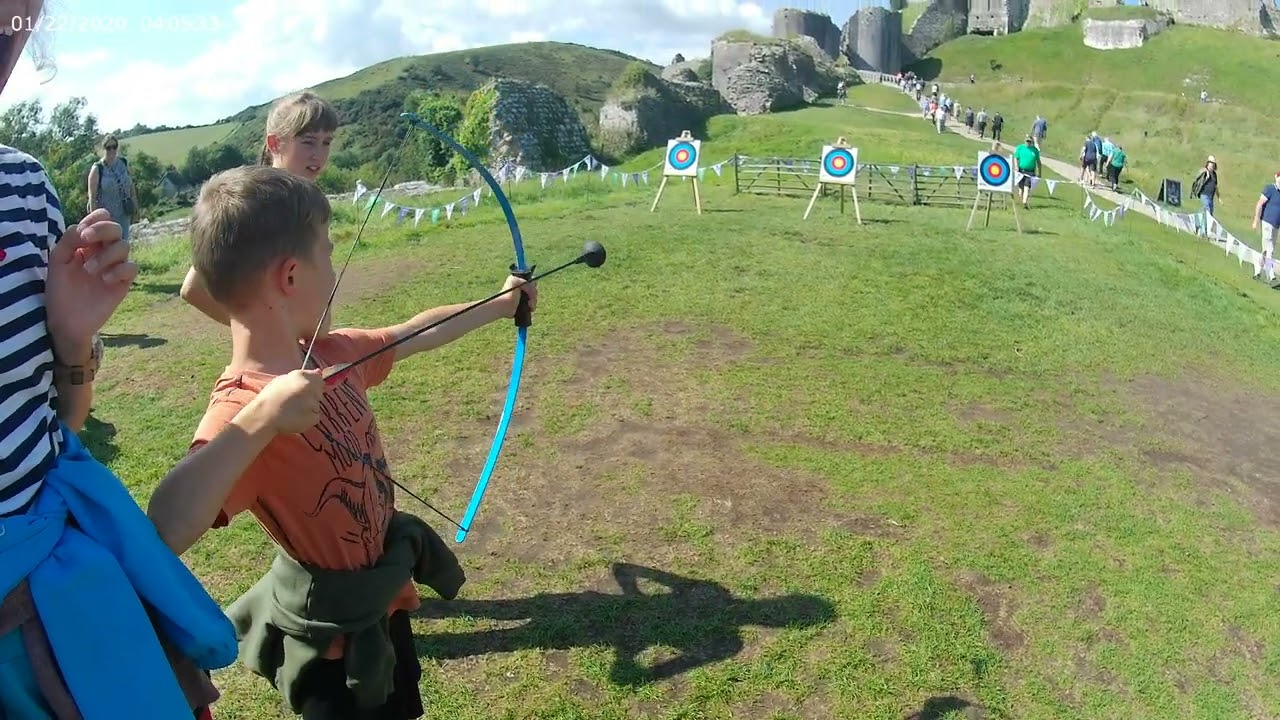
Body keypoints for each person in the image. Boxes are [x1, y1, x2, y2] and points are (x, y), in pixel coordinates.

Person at [147, 164, 539, 719]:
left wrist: (501, 305)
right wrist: (262, 418)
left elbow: (414, 332)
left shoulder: (331, 354)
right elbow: (166, 524)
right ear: (289, 276)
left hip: (383, 605)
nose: (334, 268)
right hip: (332, 652)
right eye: (326, 255)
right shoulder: (243, 408)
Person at [0, 2, 238, 717]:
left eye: (16, 28)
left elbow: (59, 425)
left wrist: (71, 340)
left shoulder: (24, 190)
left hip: (56, 605)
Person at [180, 91, 338, 326]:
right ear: (274, 143)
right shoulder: (255, 202)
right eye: (308, 141)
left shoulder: (309, 200)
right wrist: (273, 336)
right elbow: (193, 289)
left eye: (326, 142)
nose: (319, 154)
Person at [86, 134, 138, 242]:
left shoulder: (123, 163)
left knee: (123, 244)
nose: (112, 150)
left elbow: (130, 184)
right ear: (104, 148)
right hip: (107, 216)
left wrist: (135, 205)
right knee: (110, 247)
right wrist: (95, 220)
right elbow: (92, 198)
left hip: (123, 213)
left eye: (114, 146)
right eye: (108, 147)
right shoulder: (97, 169)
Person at [1250, 171, 1280, 280]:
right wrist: (1256, 220)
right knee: (1268, 250)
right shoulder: (1270, 189)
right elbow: (1260, 204)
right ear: (1276, 177)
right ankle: (1271, 277)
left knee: (1267, 250)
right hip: (1267, 222)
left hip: (1276, 226)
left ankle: (1257, 272)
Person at [1190, 156, 1221, 235]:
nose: (1211, 167)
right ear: (1207, 164)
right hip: (1204, 194)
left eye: (1213, 165)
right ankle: (1203, 232)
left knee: (1208, 213)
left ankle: (1197, 225)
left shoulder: (1214, 175)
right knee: (1207, 211)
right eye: (1210, 165)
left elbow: (1216, 187)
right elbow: (1198, 180)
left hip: (1211, 196)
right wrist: (1206, 176)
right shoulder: (1204, 172)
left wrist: (1219, 197)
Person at [1013, 135, 1042, 209]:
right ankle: (1021, 198)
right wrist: (1016, 166)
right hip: (1021, 170)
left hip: (1030, 172)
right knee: (1021, 188)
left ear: (1032, 142)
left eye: (1029, 141)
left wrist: (1039, 172)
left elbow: (1038, 162)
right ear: (1025, 141)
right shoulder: (1020, 148)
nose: (1028, 143)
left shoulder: (1035, 150)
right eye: (1027, 141)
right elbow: (1016, 157)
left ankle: (1024, 202)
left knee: (1027, 187)